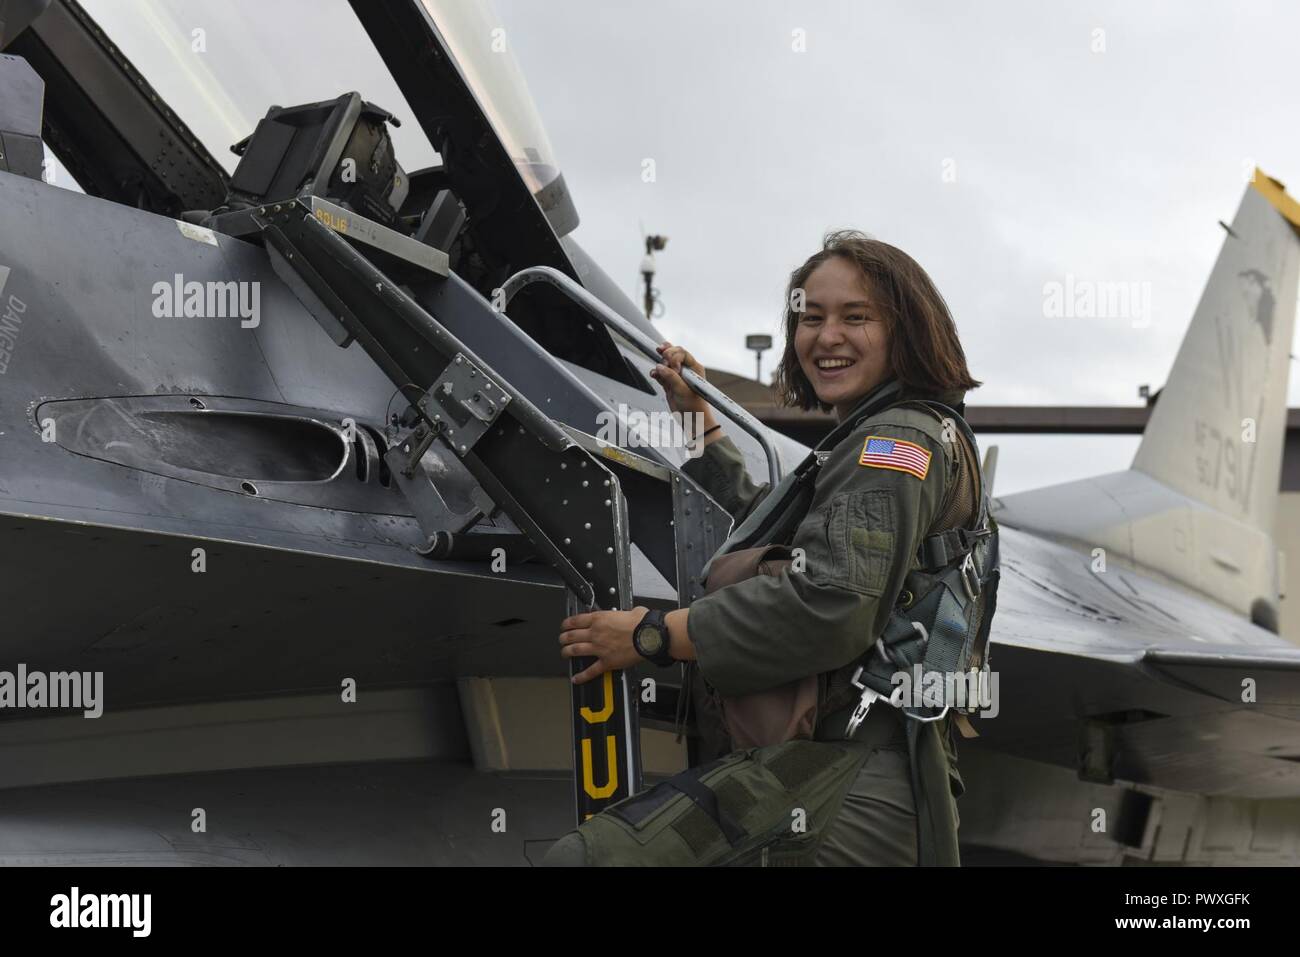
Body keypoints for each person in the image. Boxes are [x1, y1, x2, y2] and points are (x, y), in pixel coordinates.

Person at [543, 230, 988, 866]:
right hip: (837, 770)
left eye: (855, 317)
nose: (826, 336)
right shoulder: (890, 440)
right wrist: (699, 420)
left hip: (839, 780)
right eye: (811, 318)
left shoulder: (891, 448)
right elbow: (777, 535)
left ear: (908, 331)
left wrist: (652, 636)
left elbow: (831, 600)